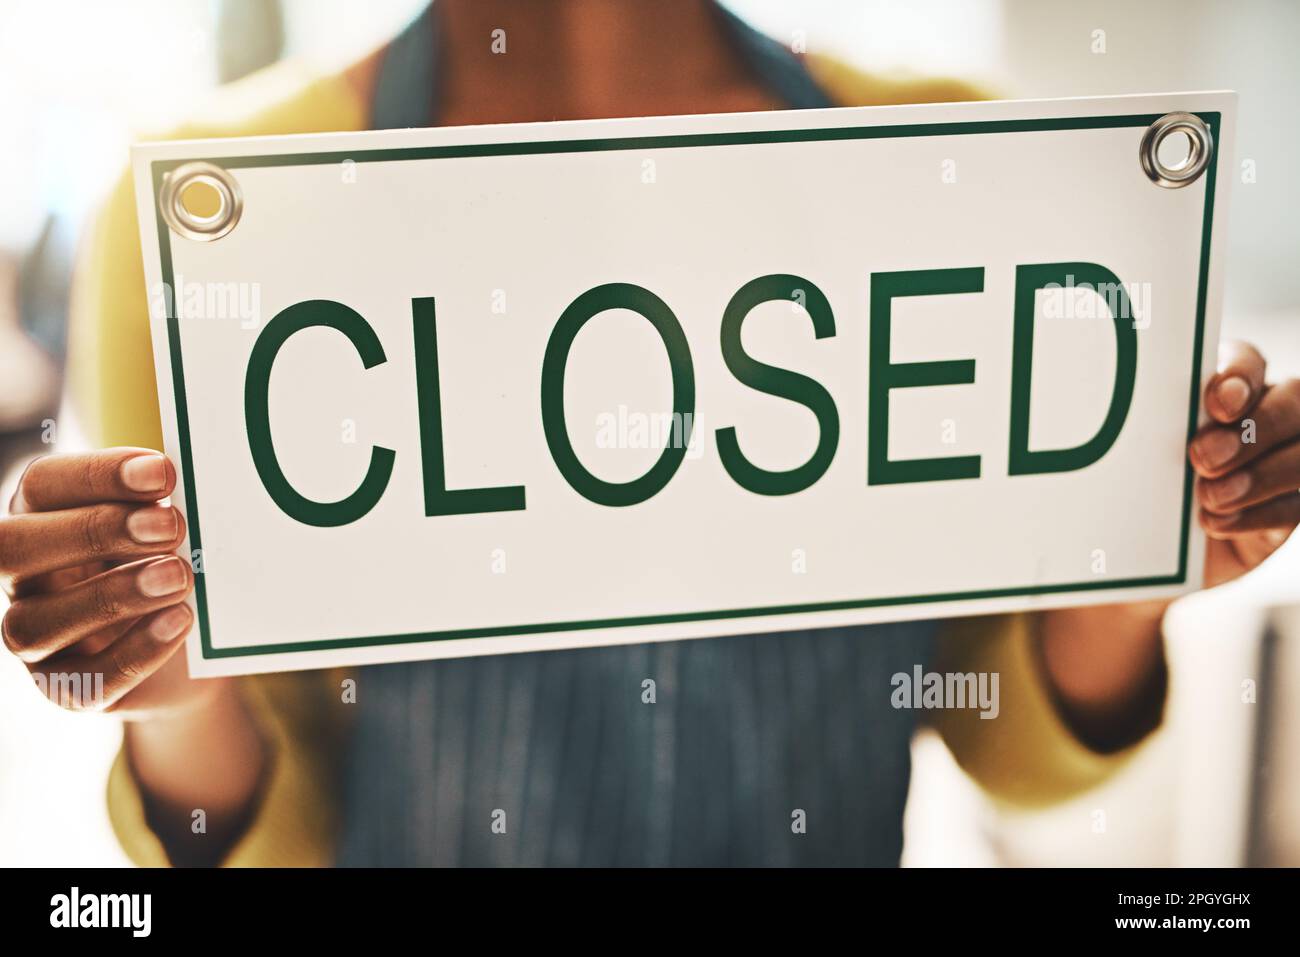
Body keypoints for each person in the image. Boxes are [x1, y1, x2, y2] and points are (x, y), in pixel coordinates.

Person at [3, 0, 1298, 866]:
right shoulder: (210, 200)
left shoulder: (953, 148)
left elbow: (996, 730)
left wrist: (1132, 565)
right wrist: (168, 691)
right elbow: (265, 834)